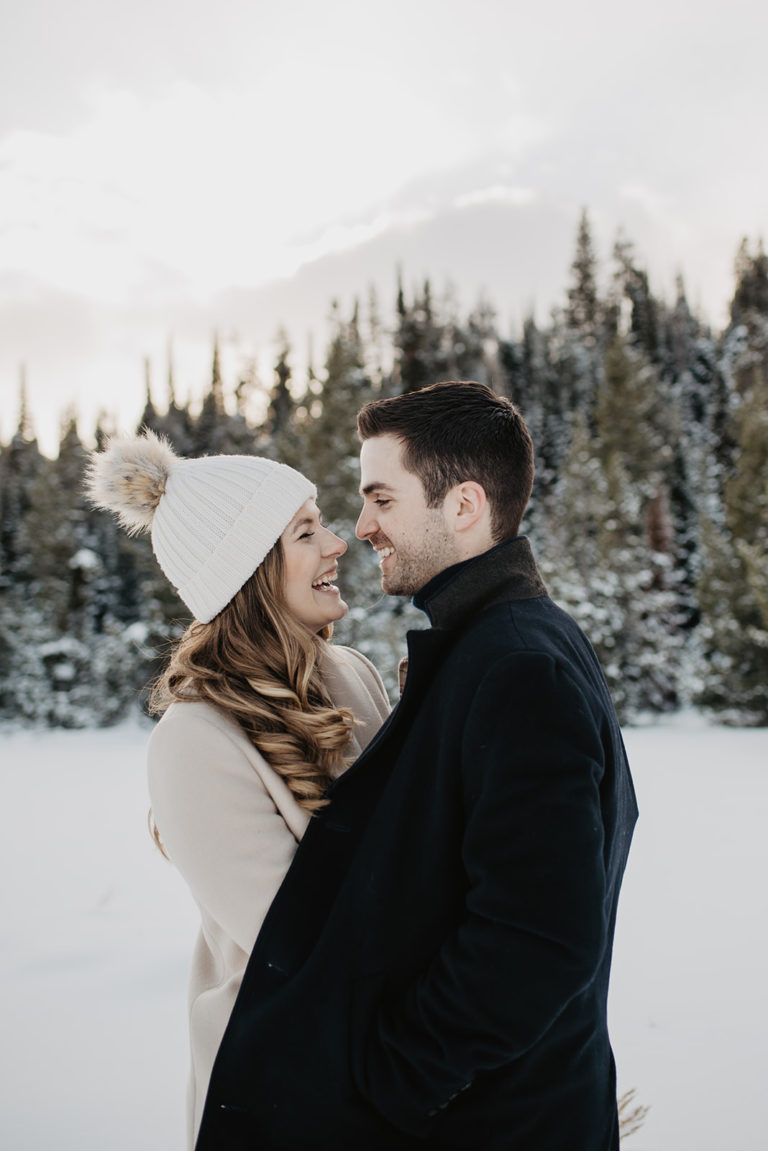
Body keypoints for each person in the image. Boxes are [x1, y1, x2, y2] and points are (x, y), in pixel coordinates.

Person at [194, 380, 639, 1151]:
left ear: (462, 506)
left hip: (507, 1126)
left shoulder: (515, 665)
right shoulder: (492, 648)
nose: (360, 527)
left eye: (381, 499)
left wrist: (397, 1078)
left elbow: (538, 937)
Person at [85, 430, 391, 1149]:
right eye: (306, 532)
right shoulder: (194, 743)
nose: (337, 544)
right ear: (251, 569)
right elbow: (309, 949)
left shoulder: (350, 673)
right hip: (286, 1093)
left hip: (385, 1074)